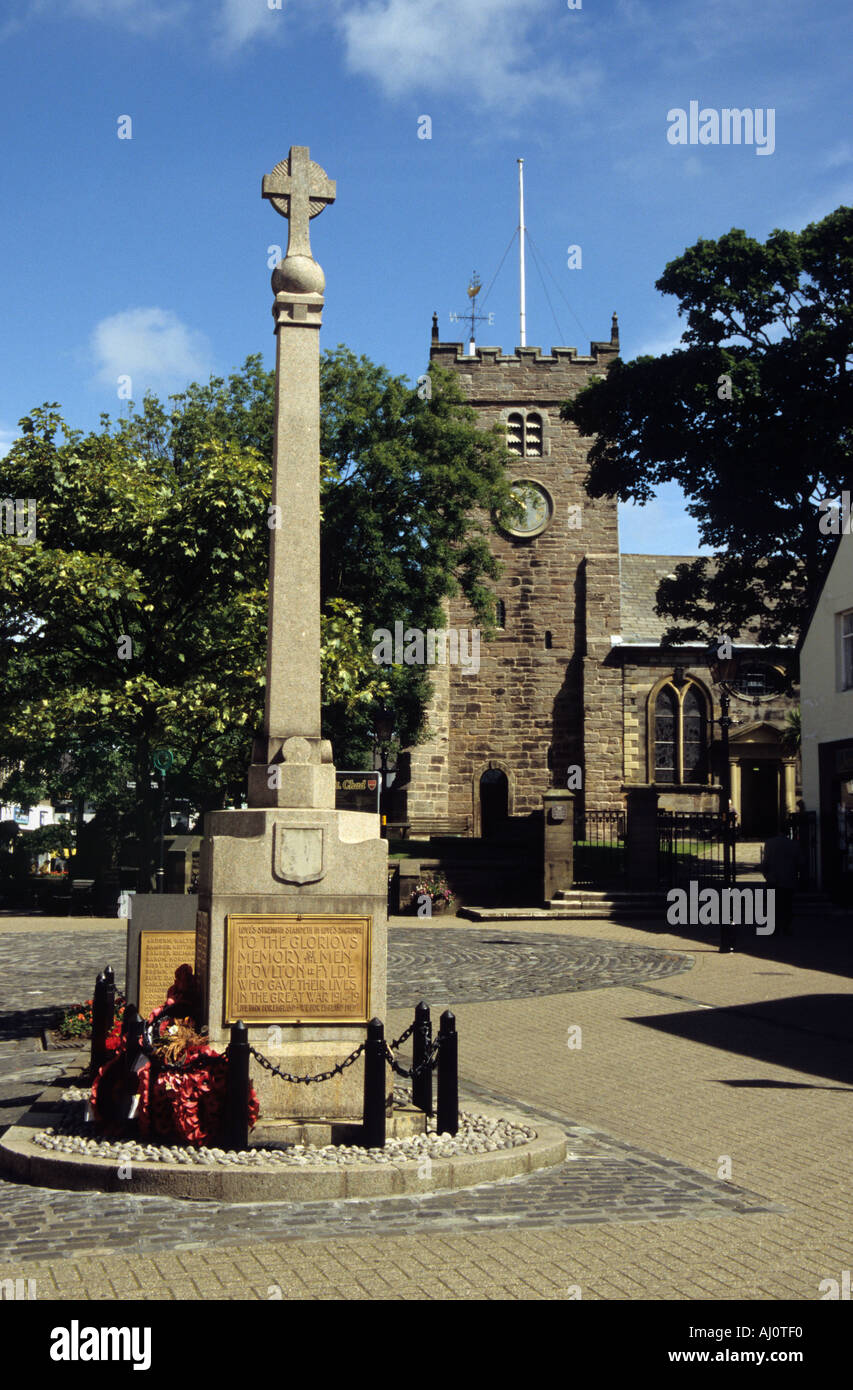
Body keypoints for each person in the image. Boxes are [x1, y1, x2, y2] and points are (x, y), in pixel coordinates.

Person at [761, 831, 803, 936]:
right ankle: (786, 927)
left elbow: (766, 862)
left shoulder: (769, 843)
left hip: (773, 878)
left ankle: (774, 928)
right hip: (788, 878)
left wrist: (766, 875)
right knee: (787, 905)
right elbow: (800, 862)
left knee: (773, 905)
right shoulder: (793, 844)